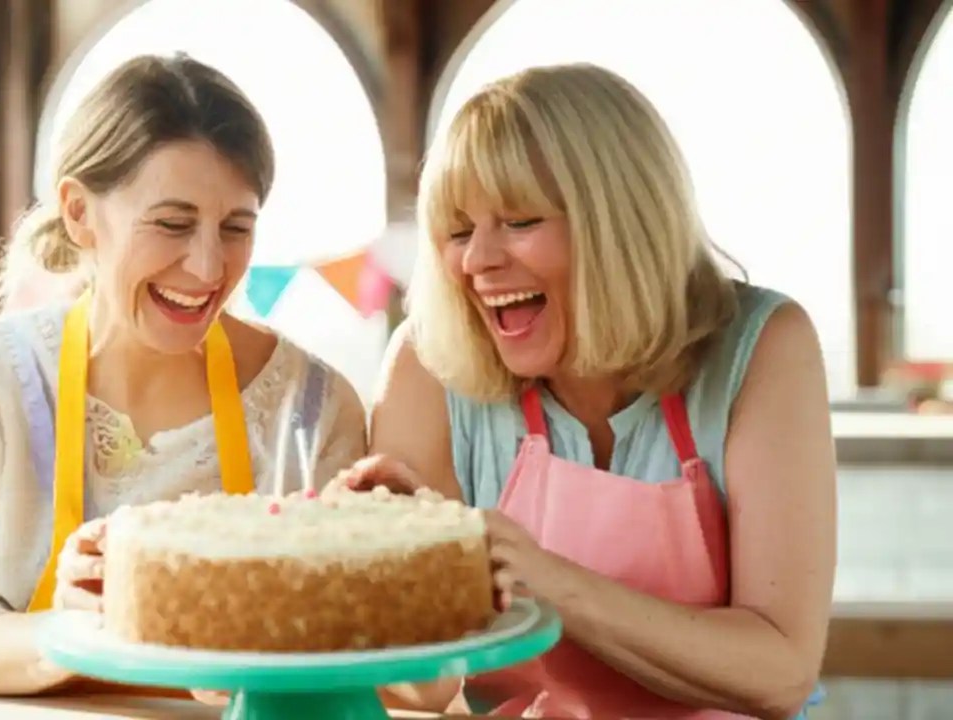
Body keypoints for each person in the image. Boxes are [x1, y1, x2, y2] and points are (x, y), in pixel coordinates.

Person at [345, 63, 835, 719]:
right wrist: (382, 574)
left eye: (518, 220)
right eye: (459, 231)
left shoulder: (765, 346)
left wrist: (548, 580)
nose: (478, 260)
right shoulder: (425, 363)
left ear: (620, 224)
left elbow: (781, 671)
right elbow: (425, 687)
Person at [0, 53, 366, 698]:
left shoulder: (311, 409)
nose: (207, 268)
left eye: (236, 228)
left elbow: (357, 640)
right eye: (172, 224)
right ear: (79, 212)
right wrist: (71, 631)